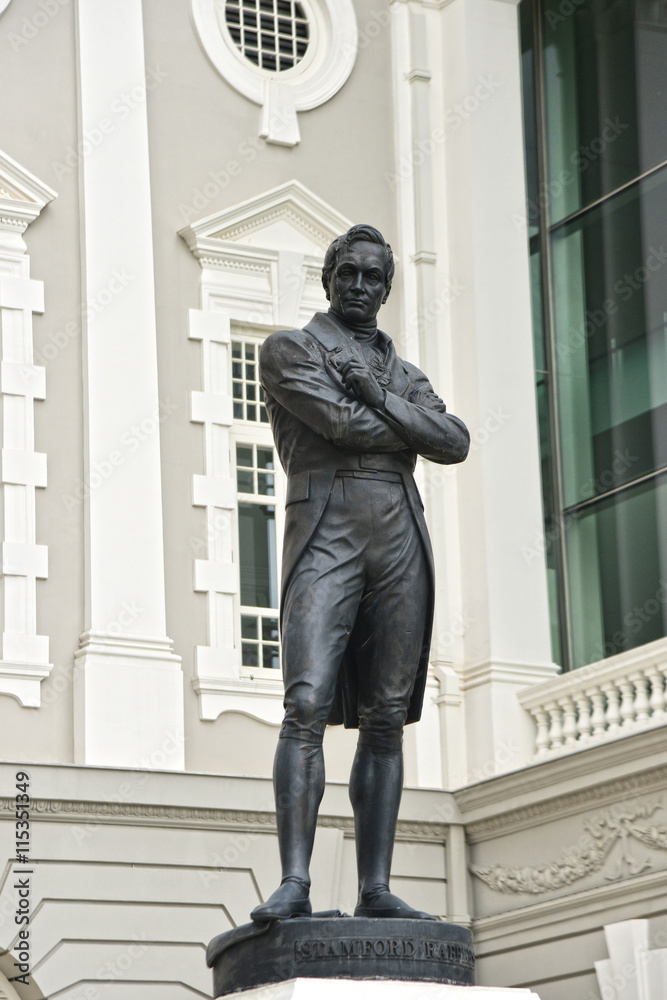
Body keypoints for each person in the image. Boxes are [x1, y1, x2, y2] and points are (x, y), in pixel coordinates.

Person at [252, 224, 469, 922]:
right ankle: (294, 882)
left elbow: (456, 441)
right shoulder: (290, 348)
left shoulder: (400, 373)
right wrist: (404, 426)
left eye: (373, 277)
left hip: (399, 534)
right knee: (306, 701)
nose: (359, 287)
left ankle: (374, 888)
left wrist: (377, 399)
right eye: (347, 273)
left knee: (384, 718)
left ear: (386, 287)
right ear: (328, 278)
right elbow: (339, 426)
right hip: (328, 532)